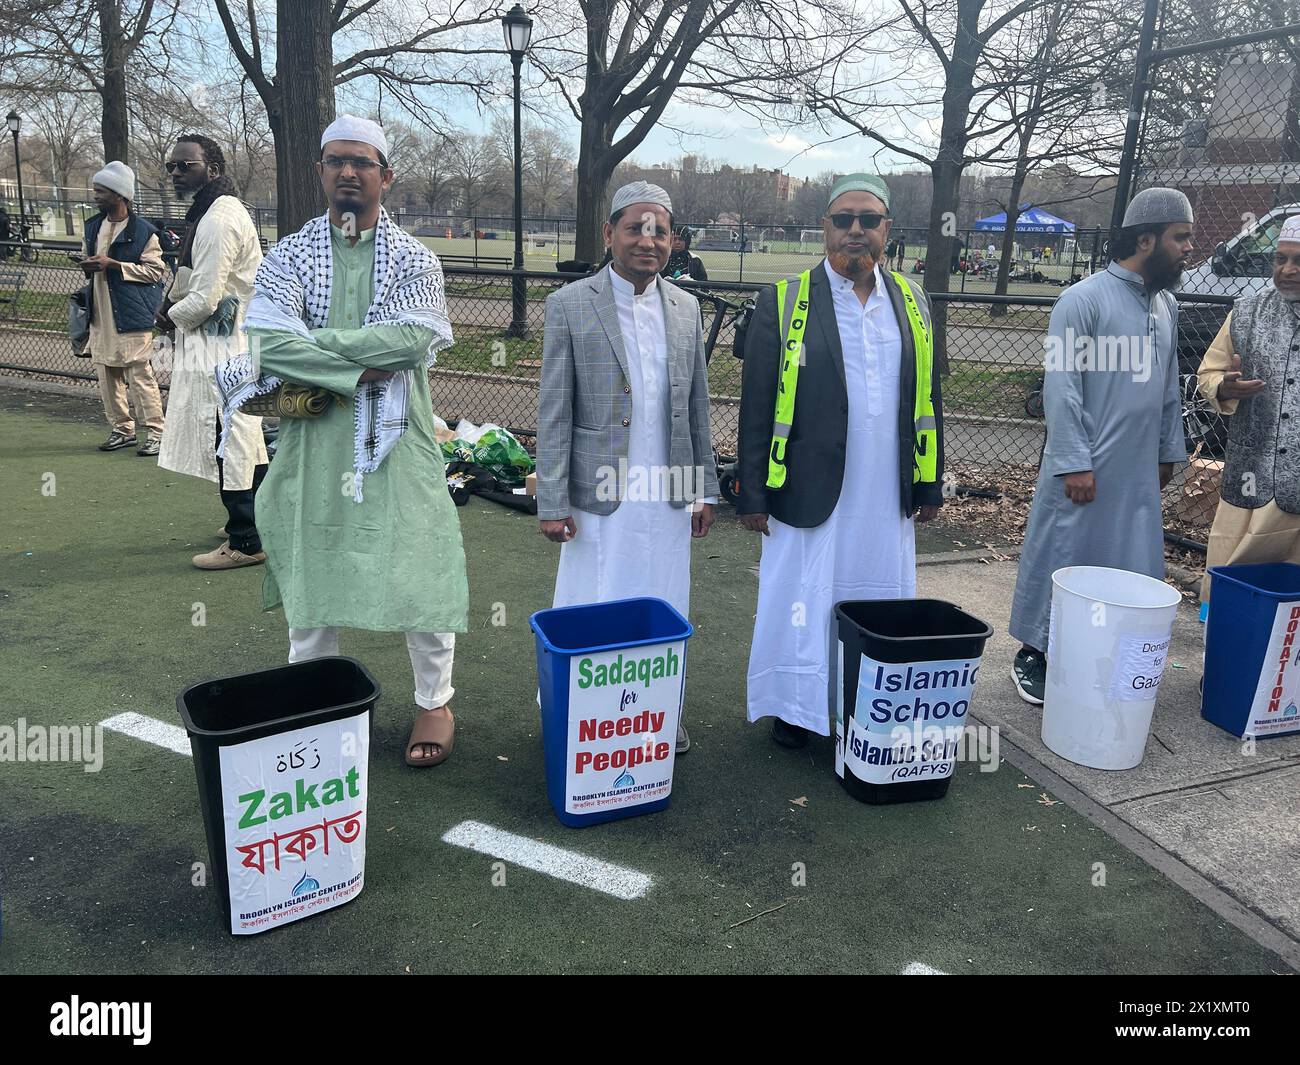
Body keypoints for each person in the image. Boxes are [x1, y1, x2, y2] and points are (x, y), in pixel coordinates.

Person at [216, 115, 468, 766]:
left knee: (419, 561)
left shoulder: (414, 258)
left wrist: (315, 351)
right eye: (336, 161)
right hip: (316, 437)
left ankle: (435, 701)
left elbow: (412, 342)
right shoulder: (291, 256)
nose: (349, 172)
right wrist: (358, 364)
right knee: (312, 560)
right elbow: (267, 345)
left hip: (397, 438)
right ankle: (313, 697)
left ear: (387, 175)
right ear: (320, 173)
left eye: (362, 161)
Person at [737, 173, 943, 748]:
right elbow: (756, 405)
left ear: (887, 230)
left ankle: (864, 704)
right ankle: (796, 708)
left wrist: (928, 484)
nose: (856, 230)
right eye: (843, 219)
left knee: (875, 592)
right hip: (805, 484)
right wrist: (751, 492)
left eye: (869, 220)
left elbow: (928, 395)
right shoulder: (782, 299)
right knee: (802, 593)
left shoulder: (913, 299)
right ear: (824, 227)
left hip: (885, 489)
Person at [537, 181, 719, 754]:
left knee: (664, 595)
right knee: (595, 596)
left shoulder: (687, 308)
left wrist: (703, 489)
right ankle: (583, 716)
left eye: (660, 230)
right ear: (609, 233)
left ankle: (658, 713)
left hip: (667, 487)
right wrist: (552, 499)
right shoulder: (569, 304)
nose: (648, 240)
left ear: (674, 241)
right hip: (598, 489)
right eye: (636, 227)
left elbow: (695, 408)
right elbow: (554, 410)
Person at [1008, 188, 1191, 703]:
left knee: (1129, 561)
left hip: (1136, 472)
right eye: (1180, 237)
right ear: (1146, 238)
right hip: (1083, 470)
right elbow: (1061, 388)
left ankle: (1108, 649)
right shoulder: (1081, 300)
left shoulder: (1167, 304)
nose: (1187, 248)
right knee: (1065, 555)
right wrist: (1072, 463)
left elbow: (1169, 384)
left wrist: (1166, 450)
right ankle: (1035, 653)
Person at [156, 134, 269, 570]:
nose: (176, 173)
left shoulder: (219, 219)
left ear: (214, 170)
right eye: (172, 166)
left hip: (223, 347)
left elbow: (205, 298)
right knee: (244, 436)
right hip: (231, 342)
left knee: (229, 437)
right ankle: (253, 522)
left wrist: (168, 318)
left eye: (186, 165)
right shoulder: (216, 211)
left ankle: (245, 540)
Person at [1194, 214, 1300, 602]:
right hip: (1251, 475)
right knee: (1231, 583)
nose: (1287, 270)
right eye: (1281, 259)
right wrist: (1226, 386)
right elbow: (1209, 372)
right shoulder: (1247, 311)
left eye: (1299, 261)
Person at [82, 162, 167, 455]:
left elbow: (155, 271)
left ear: (119, 195)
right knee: (107, 374)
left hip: (132, 313)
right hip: (101, 311)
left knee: (140, 375)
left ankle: (156, 432)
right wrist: (88, 263)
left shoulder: (144, 231)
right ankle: (122, 429)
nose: (95, 196)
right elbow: (89, 257)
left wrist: (114, 265)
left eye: (101, 191)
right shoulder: (93, 225)